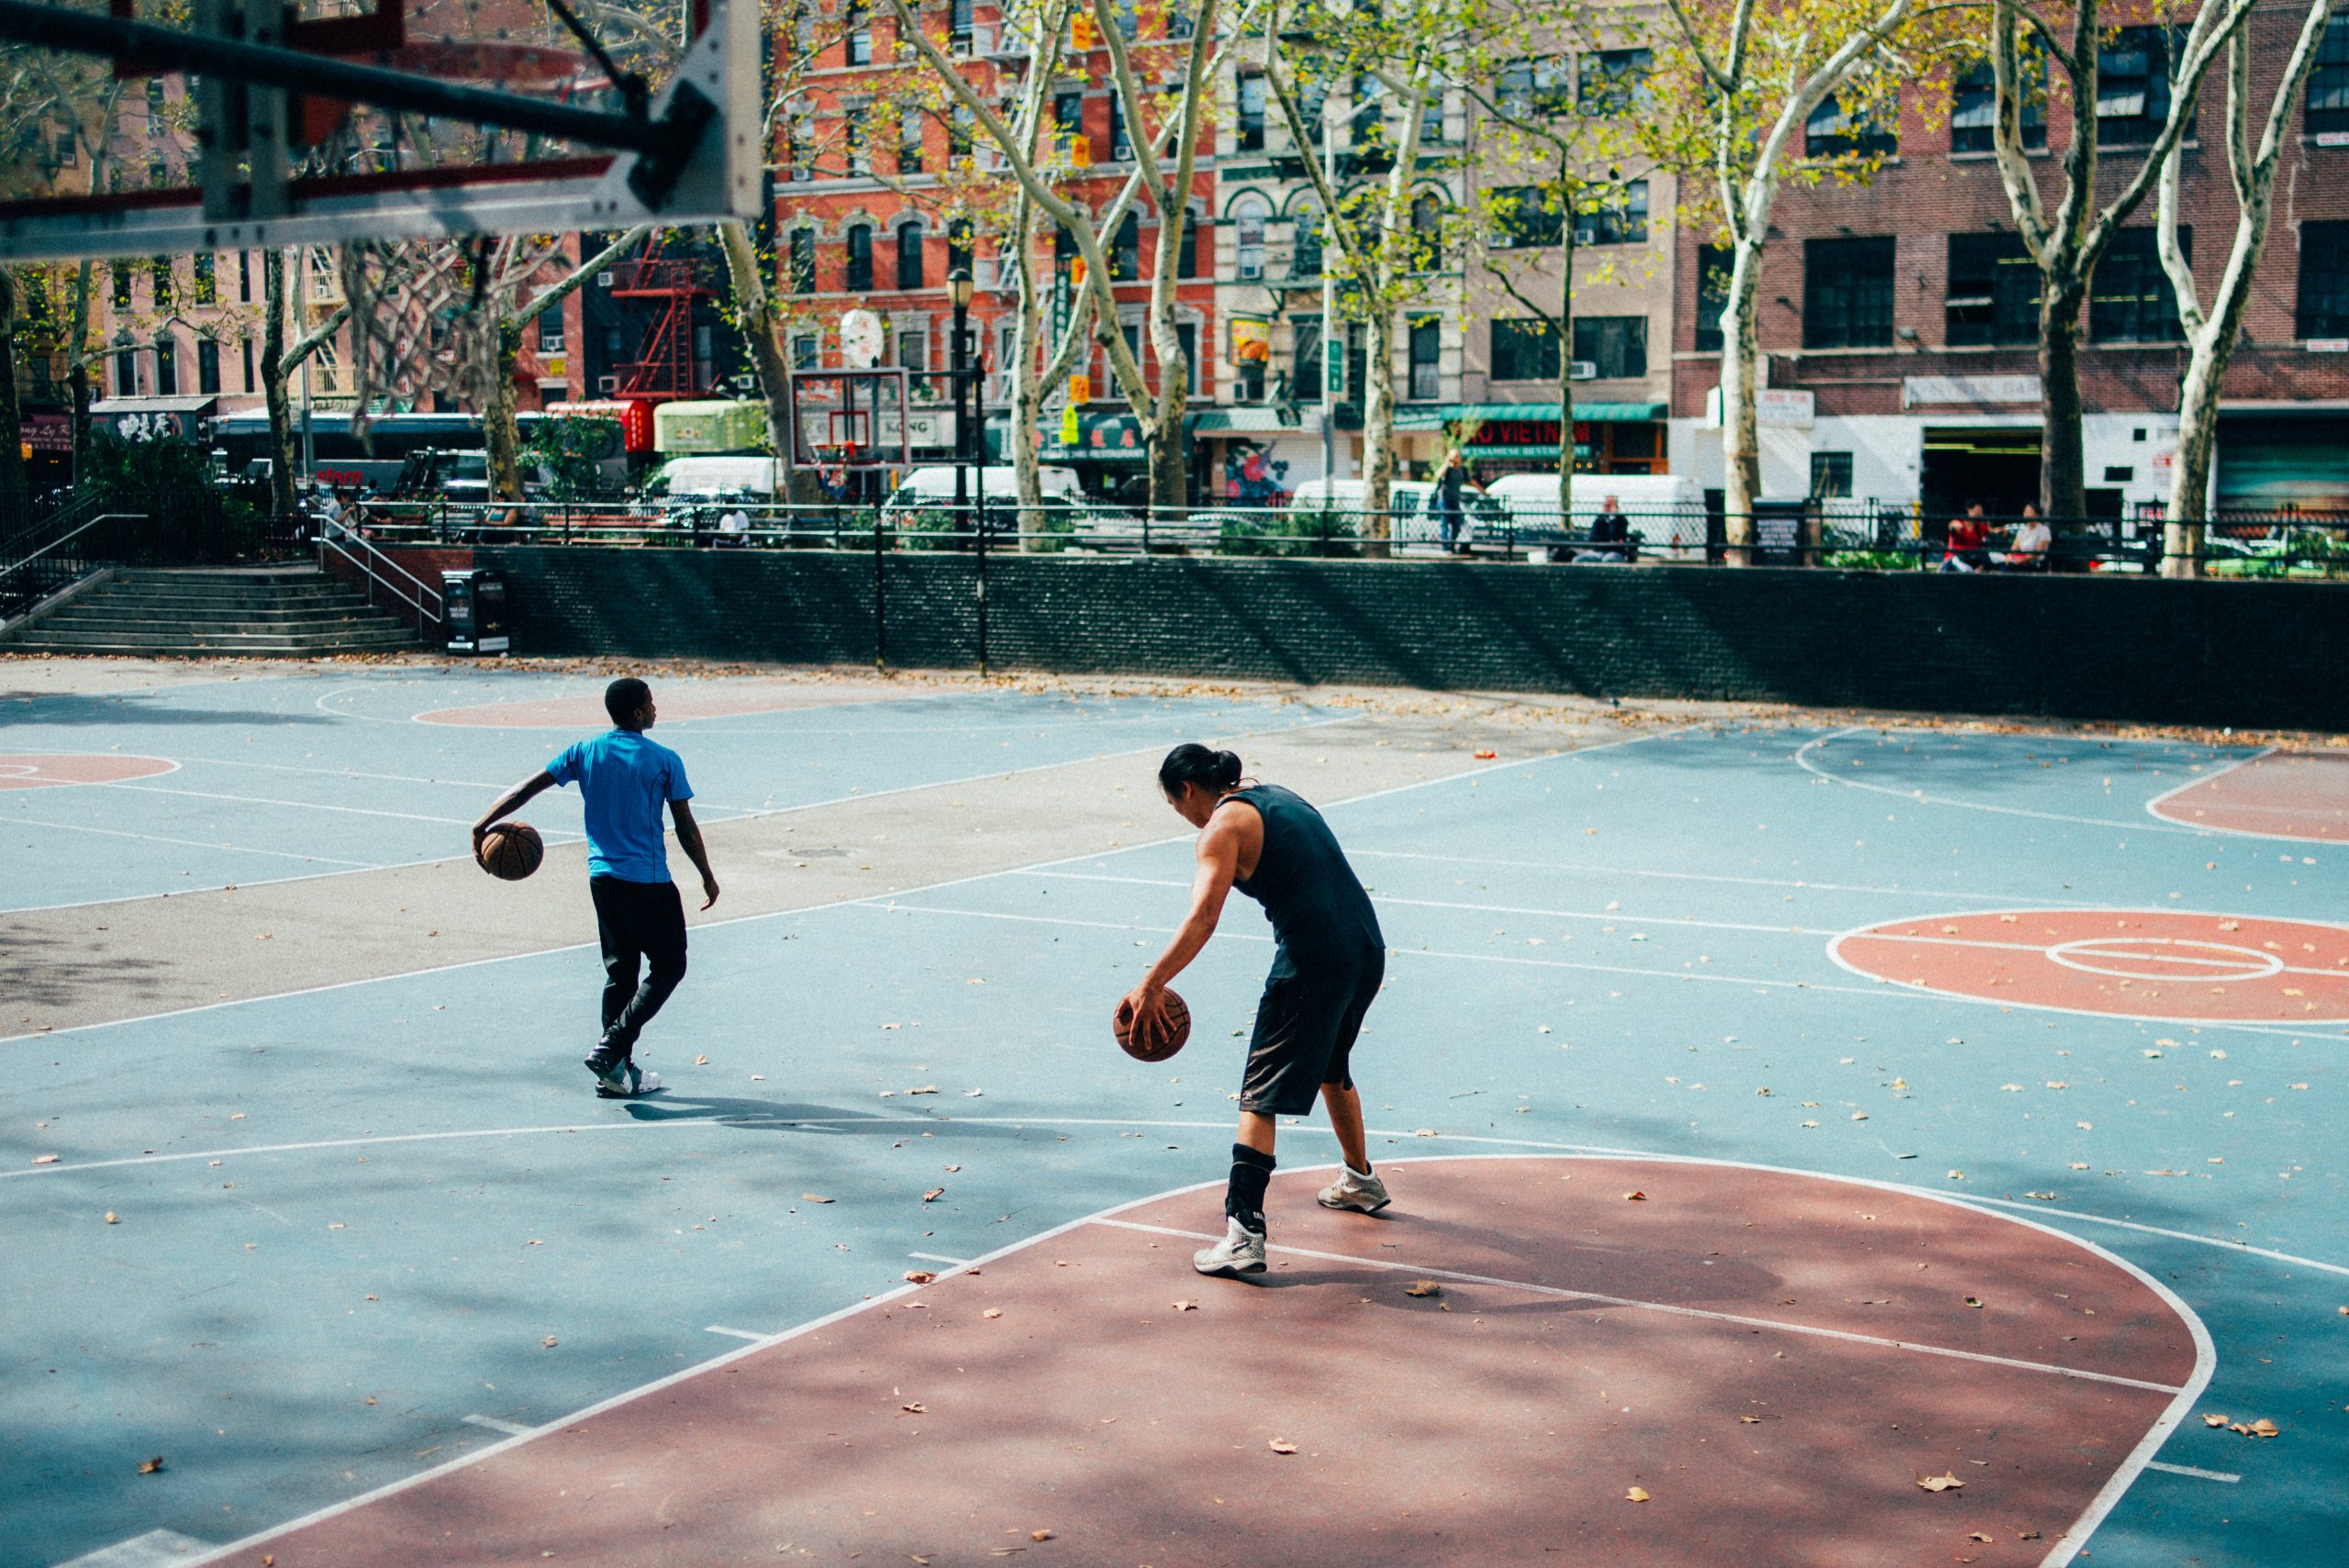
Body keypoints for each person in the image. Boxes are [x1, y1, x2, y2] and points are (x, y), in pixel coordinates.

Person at [1119, 744, 1389, 1278]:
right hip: (1366, 949)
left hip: (1314, 960)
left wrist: (1151, 983)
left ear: (1189, 791)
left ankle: (1243, 1234)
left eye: (1177, 807)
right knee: (1330, 1066)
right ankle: (1360, 1181)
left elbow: (1203, 918)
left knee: (1258, 1094)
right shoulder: (1275, 796)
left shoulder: (1221, 829)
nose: (1184, 819)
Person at [473, 678, 720, 1098]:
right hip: (649, 882)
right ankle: (611, 1048)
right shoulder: (663, 759)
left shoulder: (584, 752)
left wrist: (482, 824)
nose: (656, 708)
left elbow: (524, 790)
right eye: (652, 702)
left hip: (604, 880)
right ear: (640, 713)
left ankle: (615, 1073)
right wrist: (707, 874)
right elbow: (684, 825)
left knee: (621, 973)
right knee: (669, 967)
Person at [1435, 450, 1469, 554]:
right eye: (1453, 457)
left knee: (1457, 523)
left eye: (1457, 457)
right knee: (1444, 524)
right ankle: (1446, 548)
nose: (1455, 459)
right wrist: (1447, 463)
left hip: (1455, 501)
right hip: (1445, 501)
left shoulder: (1462, 470)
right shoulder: (1448, 469)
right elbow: (1439, 474)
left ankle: (1452, 544)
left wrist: (1484, 492)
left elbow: (1471, 481)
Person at [1582, 494, 1631, 563]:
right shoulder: (1599, 519)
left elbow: (1615, 537)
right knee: (1579, 560)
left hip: (1614, 552)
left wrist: (1614, 517)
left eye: (1609, 506)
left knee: (1608, 560)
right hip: (1598, 552)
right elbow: (1592, 537)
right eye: (1605, 505)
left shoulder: (1621, 520)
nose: (1606, 508)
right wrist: (1608, 540)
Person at [2003, 504, 2051, 571]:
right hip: (2020, 560)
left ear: (2037, 515)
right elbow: (2015, 546)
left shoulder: (2044, 530)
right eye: (2025, 511)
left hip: (2034, 562)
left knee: (2009, 568)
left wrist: (2023, 559)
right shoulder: (2023, 529)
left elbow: (2038, 552)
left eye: (2029, 512)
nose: (2026, 514)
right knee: (2005, 565)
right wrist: (2009, 555)